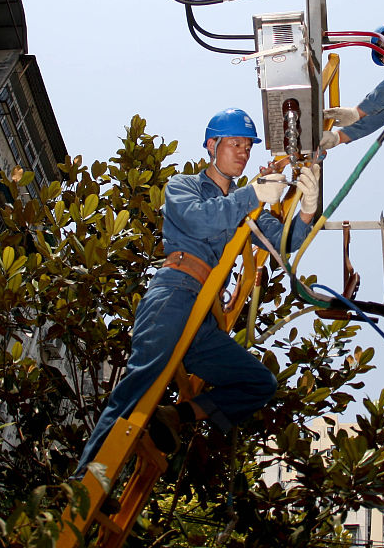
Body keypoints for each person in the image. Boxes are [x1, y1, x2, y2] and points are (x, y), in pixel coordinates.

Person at [75, 107, 320, 486]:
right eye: (234, 143)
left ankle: (178, 415)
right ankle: (84, 481)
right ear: (212, 145)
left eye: (247, 146)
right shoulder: (184, 186)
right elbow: (200, 219)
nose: (243, 152)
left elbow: (287, 242)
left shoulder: (247, 210)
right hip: (175, 290)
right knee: (140, 383)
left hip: (204, 312)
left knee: (259, 384)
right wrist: (252, 194)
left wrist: (307, 207)